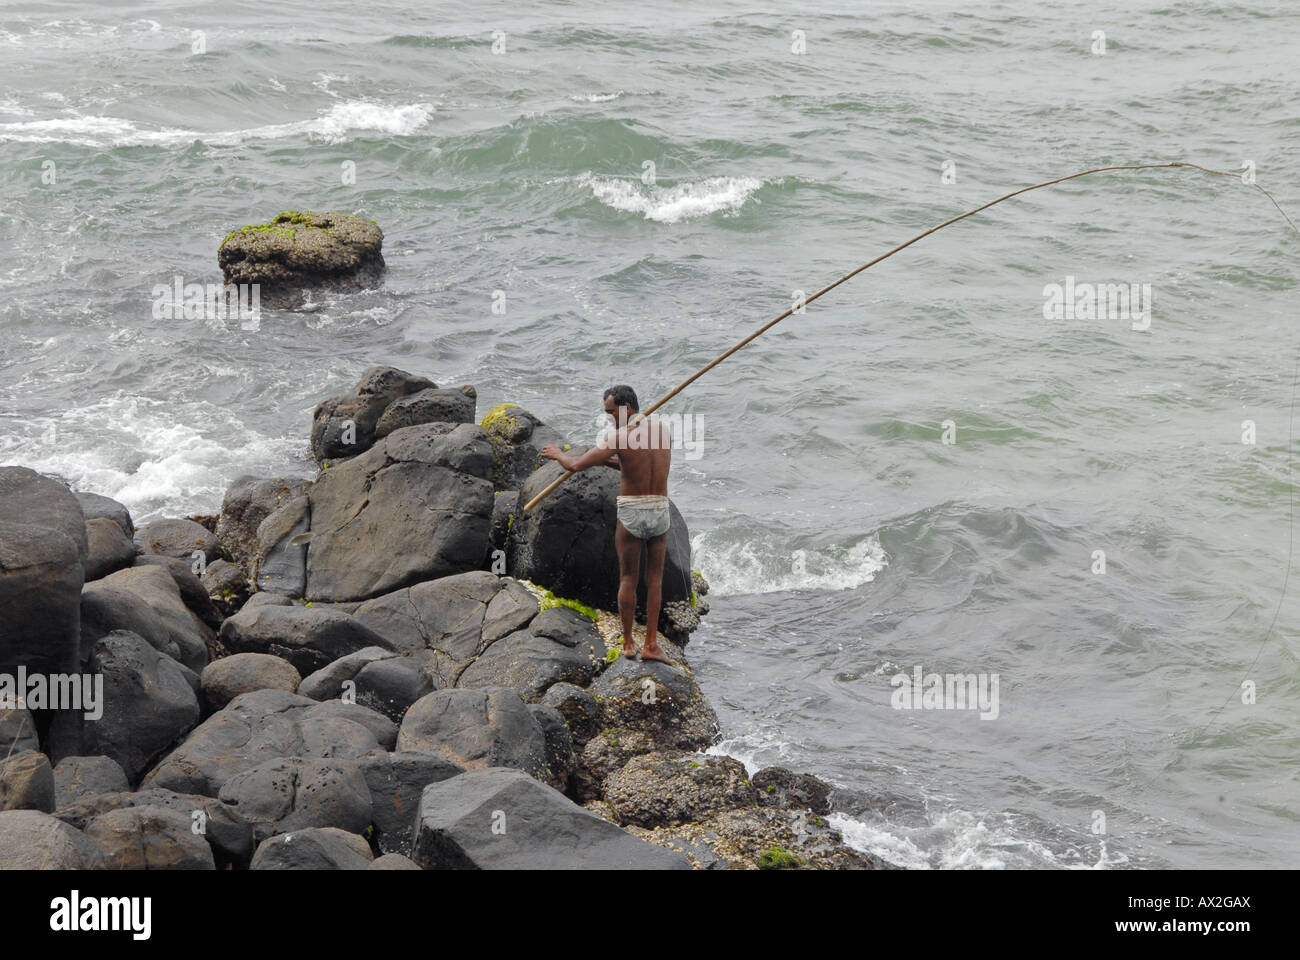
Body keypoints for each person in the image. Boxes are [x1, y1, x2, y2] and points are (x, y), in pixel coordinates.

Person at [539, 384, 674, 664]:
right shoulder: (663, 432)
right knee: (655, 579)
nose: (609, 418)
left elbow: (575, 465)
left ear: (626, 408)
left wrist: (558, 455)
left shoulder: (619, 437)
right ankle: (651, 644)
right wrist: (607, 461)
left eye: (611, 412)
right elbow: (635, 464)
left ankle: (627, 644)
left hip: (633, 511)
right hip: (660, 509)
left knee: (628, 578)